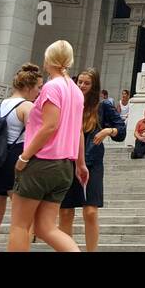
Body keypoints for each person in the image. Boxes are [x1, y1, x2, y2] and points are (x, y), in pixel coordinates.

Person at [8, 40, 87, 252]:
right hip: (64, 167)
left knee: (19, 225)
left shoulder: (53, 87)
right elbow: (78, 130)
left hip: (42, 162)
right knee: (46, 228)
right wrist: (81, 164)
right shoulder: (76, 91)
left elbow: (49, 126)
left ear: (48, 59)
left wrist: (24, 157)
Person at [0, 64, 43, 252]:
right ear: (28, 86)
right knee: (22, 222)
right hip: (15, 161)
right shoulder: (27, 106)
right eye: (38, 87)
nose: (39, 92)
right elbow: (36, 137)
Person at [59, 68, 126, 252]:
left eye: (86, 83)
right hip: (67, 162)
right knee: (65, 212)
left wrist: (107, 130)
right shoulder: (69, 103)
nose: (82, 86)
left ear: (94, 86)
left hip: (93, 163)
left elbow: (121, 130)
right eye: (79, 82)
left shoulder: (103, 106)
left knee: (90, 211)